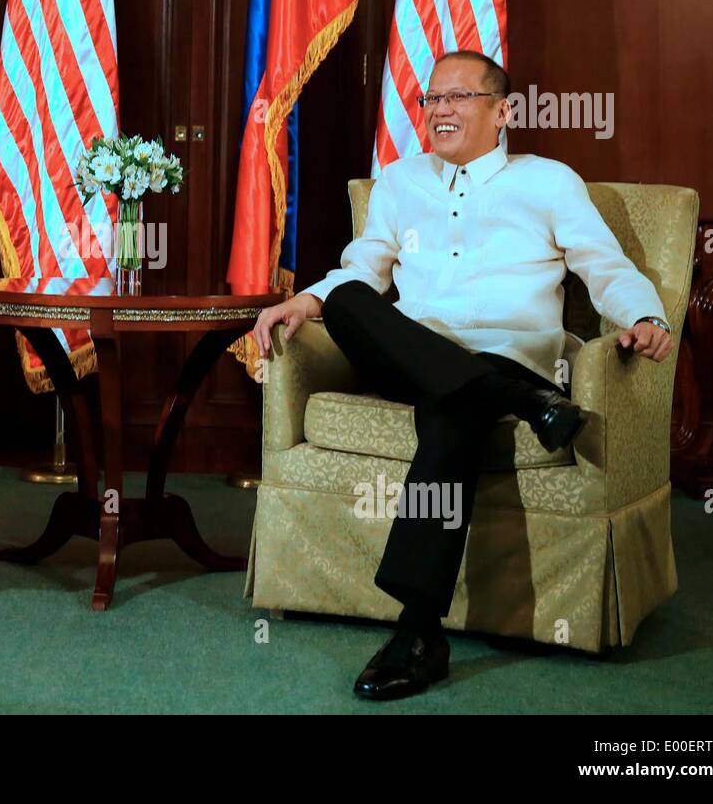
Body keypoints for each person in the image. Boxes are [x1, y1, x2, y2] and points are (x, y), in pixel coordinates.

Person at [252, 50, 672, 701]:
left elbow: (602, 263)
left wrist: (645, 314)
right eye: (431, 100)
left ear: (503, 112)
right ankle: (527, 405)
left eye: (458, 98)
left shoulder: (548, 181)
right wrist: (303, 301)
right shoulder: (396, 183)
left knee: (453, 414)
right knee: (344, 300)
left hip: (507, 350)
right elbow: (359, 270)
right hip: (412, 350)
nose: (440, 110)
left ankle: (418, 633)